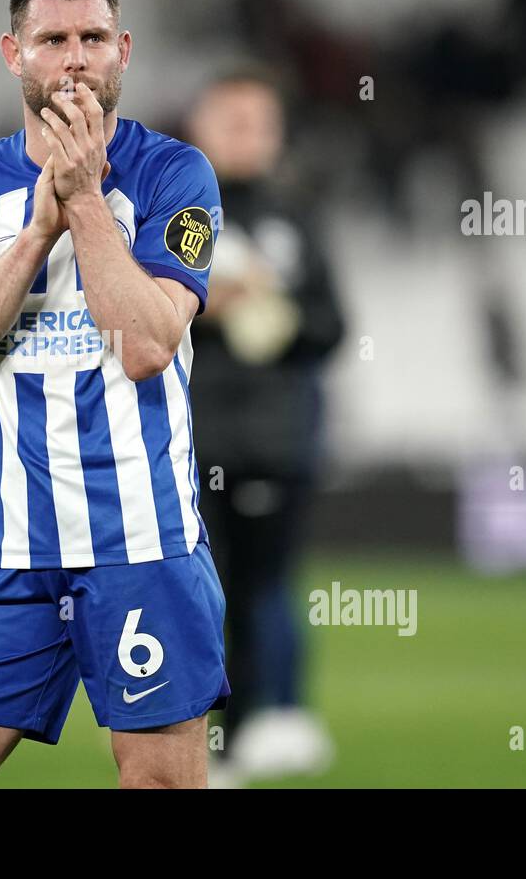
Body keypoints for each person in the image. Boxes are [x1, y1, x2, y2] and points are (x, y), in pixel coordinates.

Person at [0, 0, 229, 789]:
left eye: (93, 38)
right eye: (53, 39)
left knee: (160, 785)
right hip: (3, 548)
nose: (75, 58)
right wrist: (36, 233)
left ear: (124, 51)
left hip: (141, 542)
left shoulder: (177, 176)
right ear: (14, 53)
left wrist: (83, 202)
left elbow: (146, 345)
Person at [185, 69, 344, 784]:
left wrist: (271, 313)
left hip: (277, 438)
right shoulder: (169, 214)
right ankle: (204, 738)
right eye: (232, 121)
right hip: (190, 438)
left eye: (259, 121)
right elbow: (121, 321)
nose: (247, 135)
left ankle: (266, 722)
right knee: (197, 594)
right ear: (201, 129)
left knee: (264, 588)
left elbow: (333, 325)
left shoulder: (296, 218)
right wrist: (199, 307)